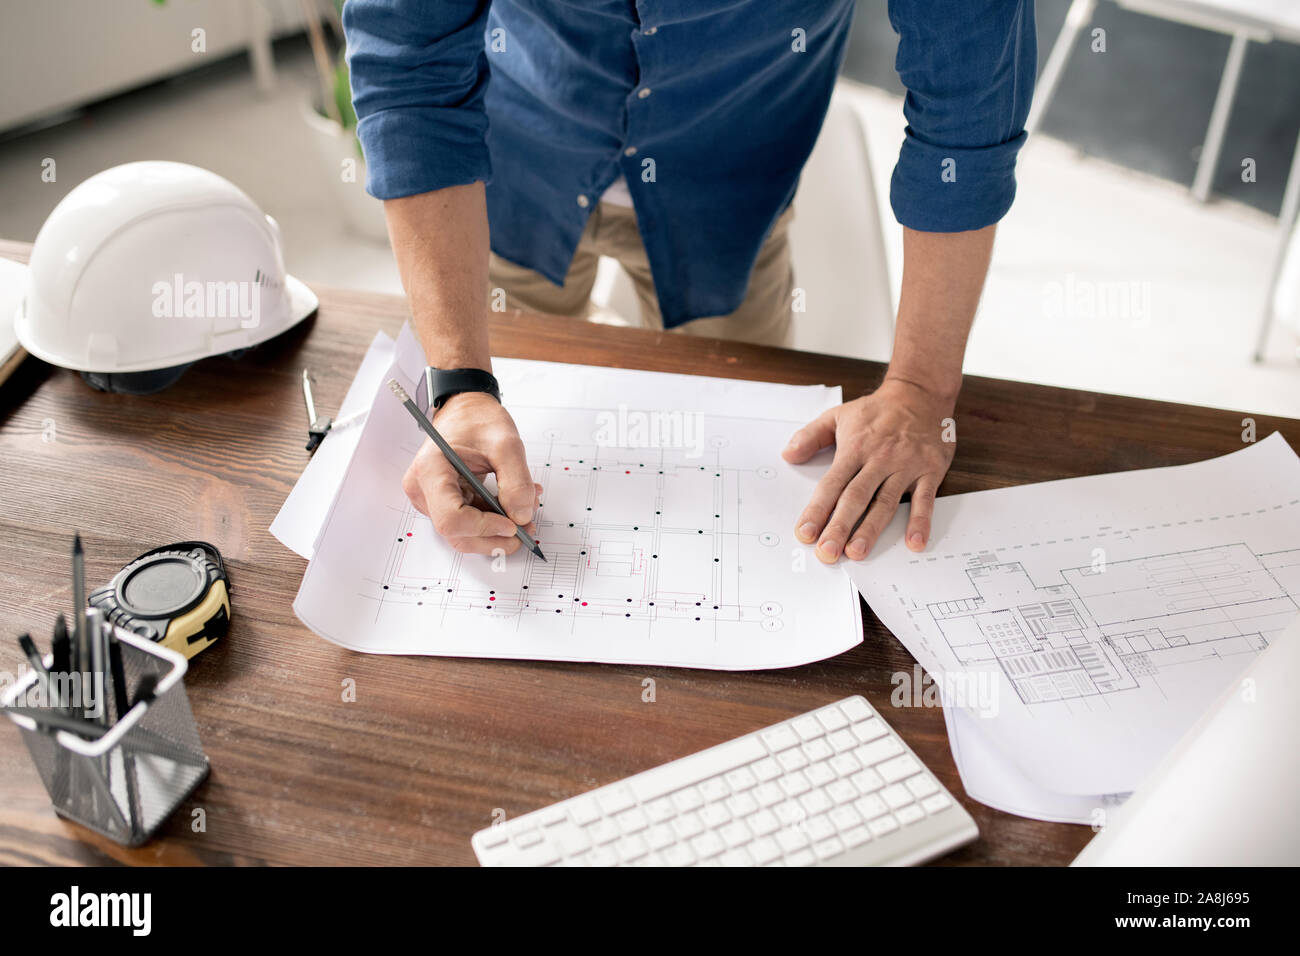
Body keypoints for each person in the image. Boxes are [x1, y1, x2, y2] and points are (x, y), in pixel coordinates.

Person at [344, 0, 1036, 563]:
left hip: (730, 192)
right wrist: (460, 388)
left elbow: (967, 120)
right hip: (509, 177)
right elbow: (411, 76)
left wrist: (920, 391)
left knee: (758, 477)